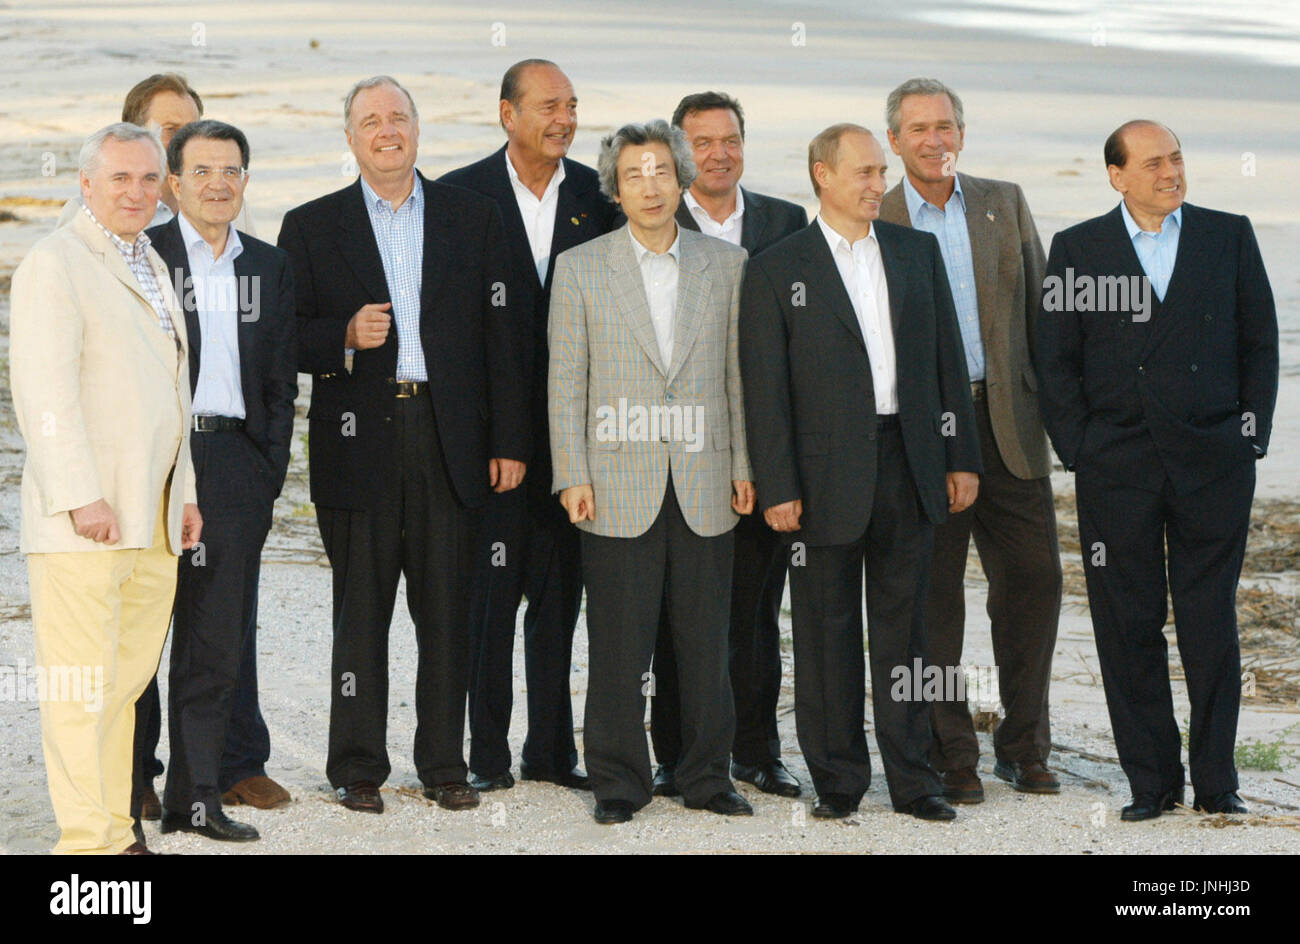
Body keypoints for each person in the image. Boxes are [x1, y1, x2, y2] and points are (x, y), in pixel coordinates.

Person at [277, 75, 529, 814]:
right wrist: (343, 338)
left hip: (450, 440)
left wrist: (510, 441)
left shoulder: (472, 218)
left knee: (449, 610)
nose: (387, 131)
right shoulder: (310, 225)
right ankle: (357, 766)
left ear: (418, 129)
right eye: (370, 121)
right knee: (361, 612)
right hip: (358, 444)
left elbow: (505, 341)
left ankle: (444, 764)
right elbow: (285, 338)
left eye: (398, 118)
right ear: (350, 138)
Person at [1035, 120, 1277, 821]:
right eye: (1153, 163)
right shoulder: (1079, 249)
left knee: (1210, 624)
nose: (1170, 171)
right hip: (1118, 468)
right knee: (1126, 625)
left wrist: (1249, 437)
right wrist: (1080, 448)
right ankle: (1151, 782)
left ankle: (1218, 779)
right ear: (1116, 175)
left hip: (1213, 463)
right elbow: (1056, 361)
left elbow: (1260, 342)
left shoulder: (1226, 235)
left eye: (1176, 158)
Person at [740, 123, 981, 821]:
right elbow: (766, 391)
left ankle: (913, 779)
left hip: (909, 463)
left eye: (881, 172)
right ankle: (839, 780)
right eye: (865, 173)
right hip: (818, 480)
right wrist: (778, 486)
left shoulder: (915, 251)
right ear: (823, 175)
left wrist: (959, 456)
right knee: (824, 632)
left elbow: (946, 364)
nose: (879, 185)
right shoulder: (778, 267)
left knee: (907, 634)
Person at [549, 119, 754, 824]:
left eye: (662, 171)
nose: (651, 186)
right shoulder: (581, 268)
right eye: (635, 174)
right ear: (616, 187)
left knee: (705, 643)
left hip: (706, 481)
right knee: (617, 644)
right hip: (614, 482)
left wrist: (746, 465)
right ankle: (618, 781)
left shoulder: (726, 266)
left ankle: (706, 777)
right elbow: (564, 380)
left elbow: (737, 377)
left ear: (682, 177)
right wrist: (570, 472)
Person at [10, 122, 202, 854]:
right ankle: (89, 843)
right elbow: (44, 392)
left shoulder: (150, 259)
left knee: (122, 684)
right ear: (86, 184)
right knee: (81, 687)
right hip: (85, 520)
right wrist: (81, 495)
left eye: (149, 179)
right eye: (120, 179)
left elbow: (171, 395)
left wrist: (183, 496)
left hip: (151, 519)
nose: (137, 192)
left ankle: (117, 828)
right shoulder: (56, 263)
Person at [880, 78, 1062, 803]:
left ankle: (1023, 745)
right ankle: (950, 750)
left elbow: (1046, 311)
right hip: (922, 436)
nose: (935, 139)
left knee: (1035, 581)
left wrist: (1065, 418)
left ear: (962, 132)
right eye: (919, 128)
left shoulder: (1004, 201)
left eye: (946, 125)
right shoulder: (877, 213)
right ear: (893, 139)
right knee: (933, 598)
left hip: (1008, 424)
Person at [439, 59, 617, 793]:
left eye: (572, 106)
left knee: (559, 600)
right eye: (548, 106)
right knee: (489, 600)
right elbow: (451, 332)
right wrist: (487, 442)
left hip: (578, 442)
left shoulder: (597, 196)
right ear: (507, 114)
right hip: (493, 447)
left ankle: (551, 751)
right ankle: (487, 756)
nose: (564, 119)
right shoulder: (457, 195)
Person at [649, 91, 808, 801]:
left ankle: (757, 749)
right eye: (703, 142)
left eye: (730, 140)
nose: (718, 154)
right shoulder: (652, 216)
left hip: (766, 441)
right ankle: (675, 751)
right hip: (678, 446)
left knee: (756, 609)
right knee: (674, 612)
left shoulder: (784, 221)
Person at [146, 119, 298, 842]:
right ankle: (124, 791)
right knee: (141, 640)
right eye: (202, 171)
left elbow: (278, 383)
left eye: (231, 170)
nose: (218, 184)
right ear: (173, 183)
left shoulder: (267, 267)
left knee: (215, 646)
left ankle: (197, 797)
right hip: (157, 465)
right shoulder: (144, 257)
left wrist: (267, 470)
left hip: (235, 466)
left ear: (246, 180)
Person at [121, 73, 258, 233]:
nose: (185, 142)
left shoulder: (224, 199)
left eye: (193, 130)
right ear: (133, 136)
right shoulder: (116, 207)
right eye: (171, 129)